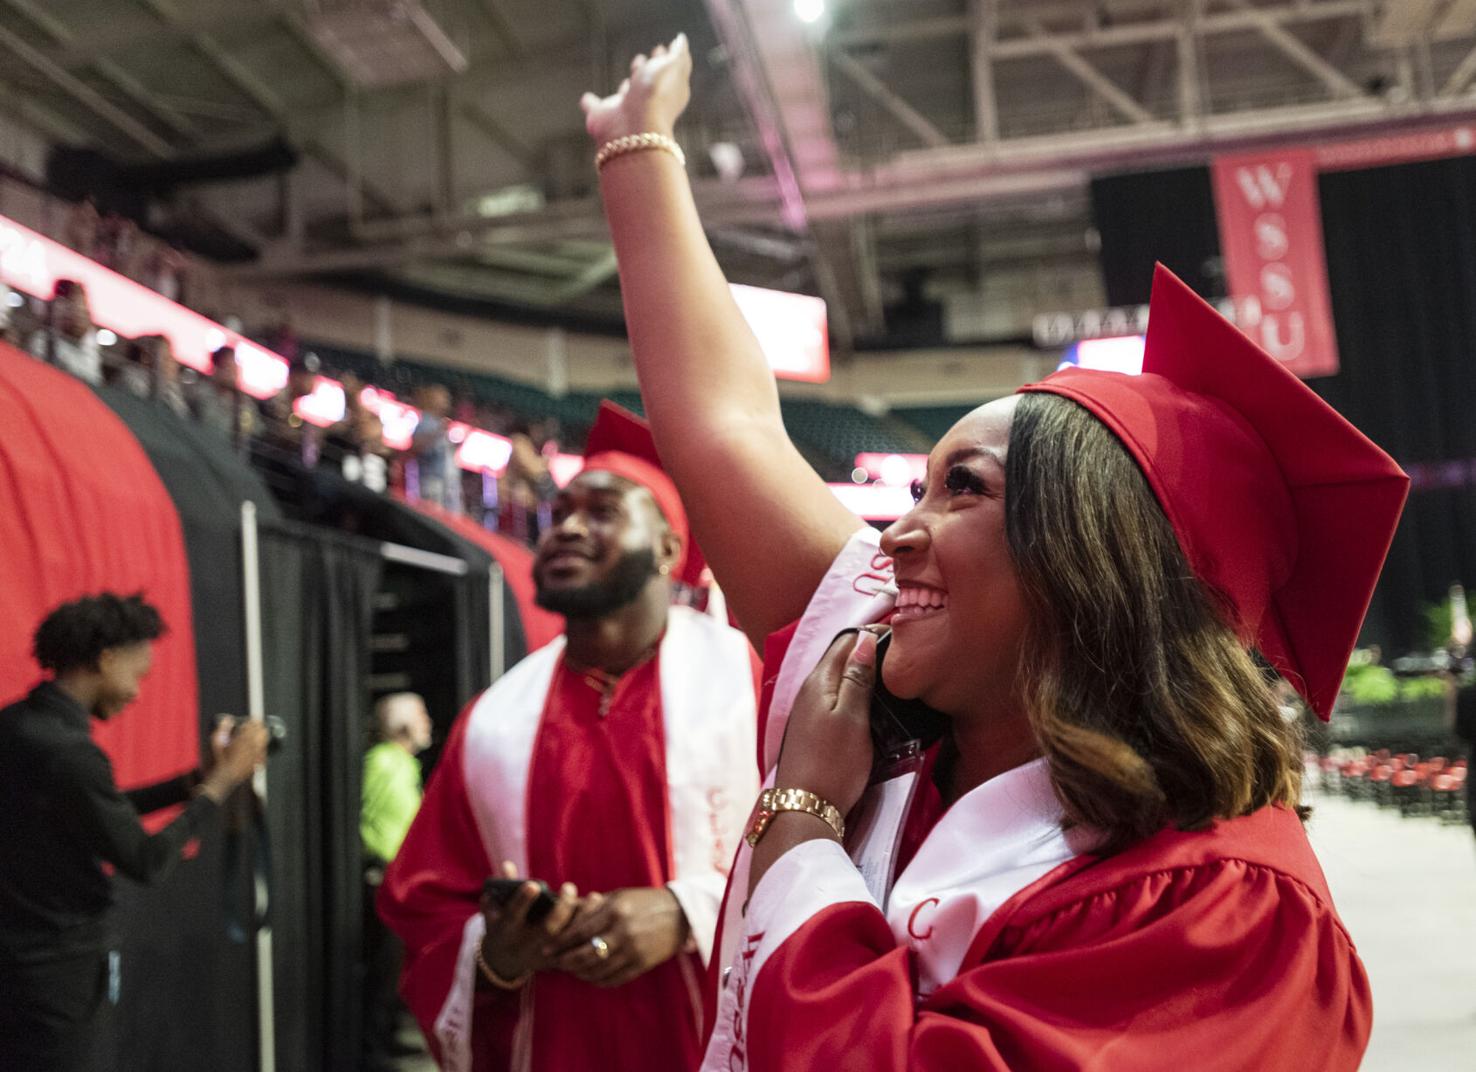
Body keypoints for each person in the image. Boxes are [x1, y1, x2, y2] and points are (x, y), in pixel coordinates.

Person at [580, 36, 1409, 1070]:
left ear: (1096, 565)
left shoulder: (1230, 912)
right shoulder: (898, 729)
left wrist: (800, 824)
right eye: (919, 486)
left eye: (962, 488)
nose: (897, 531)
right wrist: (639, 146)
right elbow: (728, 430)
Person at [379, 403, 760, 1072]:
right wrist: (495, 956)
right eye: (560, 515)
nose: (569, 529)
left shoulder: (751, 685)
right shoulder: (495, 721)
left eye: (604, 512)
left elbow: (840, 855)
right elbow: (425, 909)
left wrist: (690, 912)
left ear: (670, 549)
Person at [0, 593, 269, 1072]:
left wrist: (194, 781)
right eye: (138, 674)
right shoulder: (71, 753)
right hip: (58, 982)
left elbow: (99, 812)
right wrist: (222, 781)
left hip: (21, 969)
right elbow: (145, 859)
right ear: (106, 659)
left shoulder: (18, 726)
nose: (137, 693)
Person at [362, 693, 433, 1071]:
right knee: (384, 977)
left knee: (391, 976)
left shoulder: (398, 765)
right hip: (389, 886)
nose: (428, 722)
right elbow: (389, 833)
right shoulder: (388, 765)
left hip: (398, 886)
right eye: (421, 715)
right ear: (404, 725)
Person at [28, 279, 102, 386]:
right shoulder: (42, 340)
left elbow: (92, 378)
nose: (79, 312)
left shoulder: (90, 339)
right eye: (73, 304)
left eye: (83, 307)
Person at [410, 385, 462, 515]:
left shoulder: (440, 423)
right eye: (443, 397)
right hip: (432, 482)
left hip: (447, 483)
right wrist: (438, 432)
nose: (446, 401)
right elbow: (416, 446)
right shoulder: (426, 422)